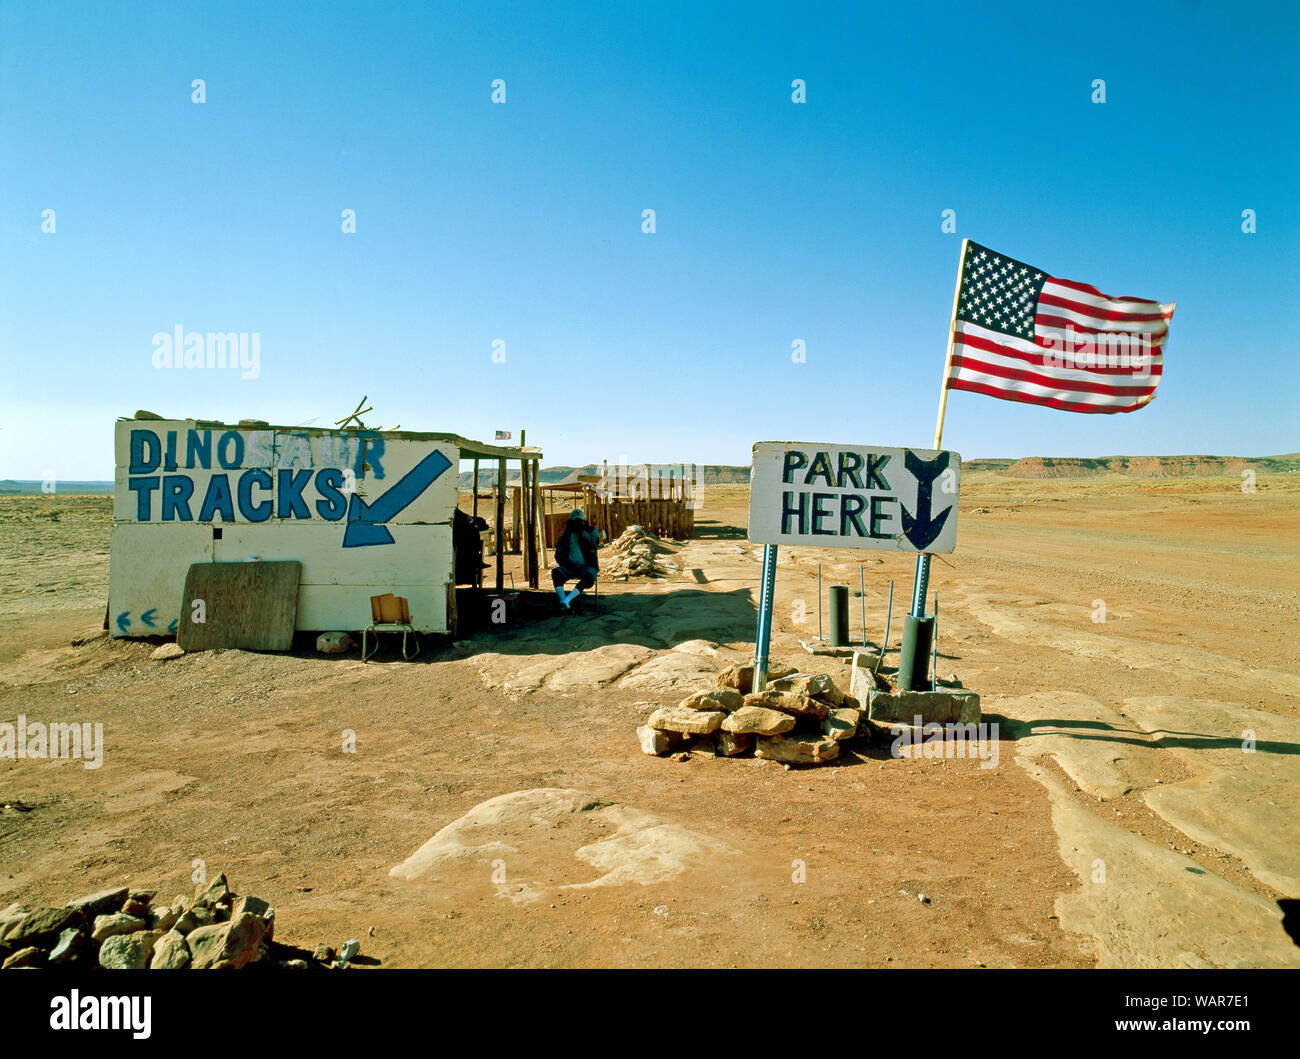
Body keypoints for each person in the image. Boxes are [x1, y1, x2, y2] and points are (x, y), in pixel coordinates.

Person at [552, 508, 599, 612]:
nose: (577, 523)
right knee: (556, 573)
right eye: (575, 522)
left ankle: (567, 600)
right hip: (570, 566)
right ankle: (564, 601)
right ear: (571, 522)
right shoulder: (566, 535)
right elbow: (558, 554)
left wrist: (582, 531)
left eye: (580, 521)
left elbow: (594, 544)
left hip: (587, 566)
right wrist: (566, 563)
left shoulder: (591, 531)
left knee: (589, 577)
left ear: (583, 521)